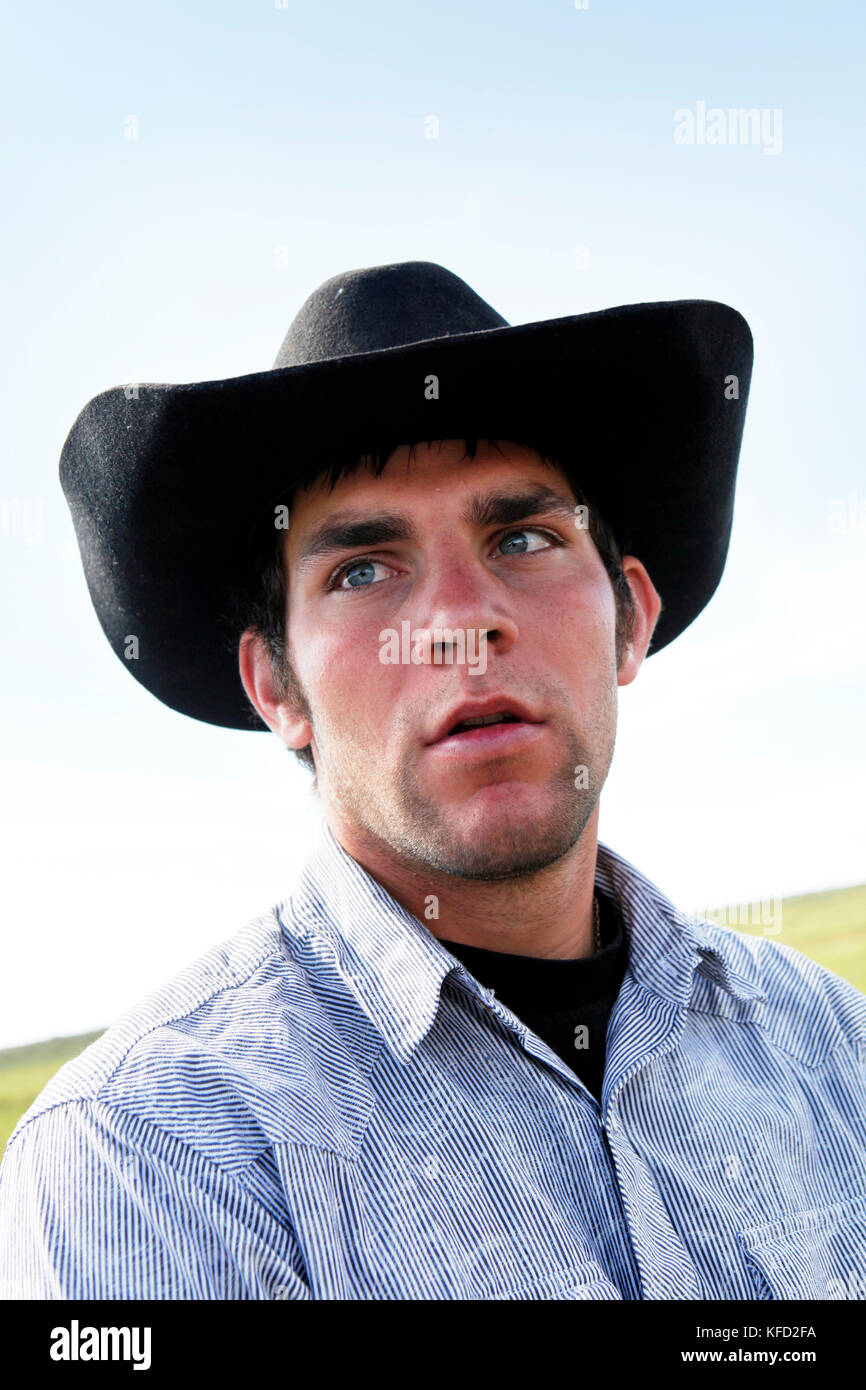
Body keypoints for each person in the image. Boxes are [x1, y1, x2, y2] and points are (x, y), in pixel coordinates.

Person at [1, 261, 864, 1301]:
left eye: (524, 537)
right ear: (276, 683)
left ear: (630, 617)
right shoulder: (147, 1160)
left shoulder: (825, 1041)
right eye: (361, 569)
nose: (460, 620)